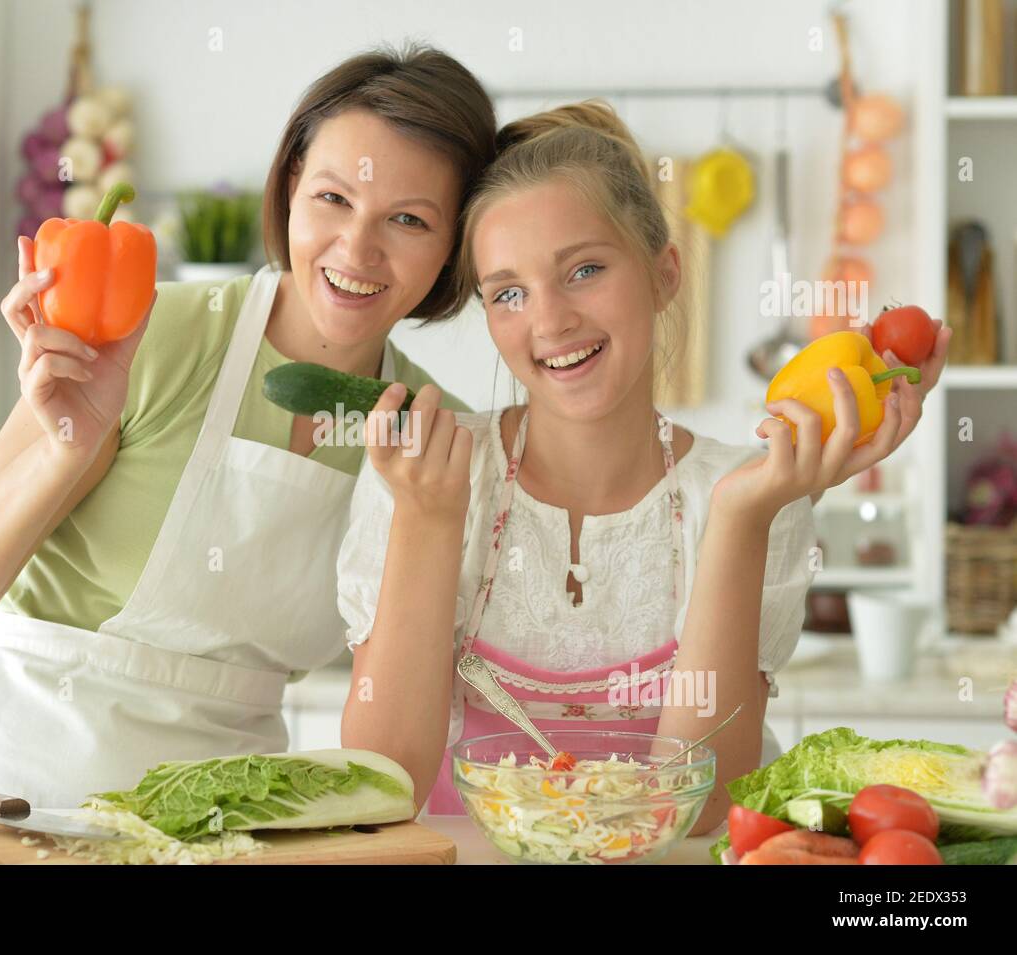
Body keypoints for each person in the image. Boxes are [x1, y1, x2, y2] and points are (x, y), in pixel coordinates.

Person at [0, 44, 496, 807]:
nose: (357, 248)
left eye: (408, 219)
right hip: (9, 796)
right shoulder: (154, 332)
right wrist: (64, 446)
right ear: (288, 193)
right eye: (332, 199)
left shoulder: (429, 441)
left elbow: (395, 773)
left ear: (452, 251)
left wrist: (429, 516)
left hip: (222, 821)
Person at [336, 101, 949, 832]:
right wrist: (429, 521)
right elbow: (383, 786)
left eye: (584, 269)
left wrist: (744, 518)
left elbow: (700, 811)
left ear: (664, 274)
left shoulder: (747, 495)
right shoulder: (424, 474)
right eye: (508, 292)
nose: (550, 321)